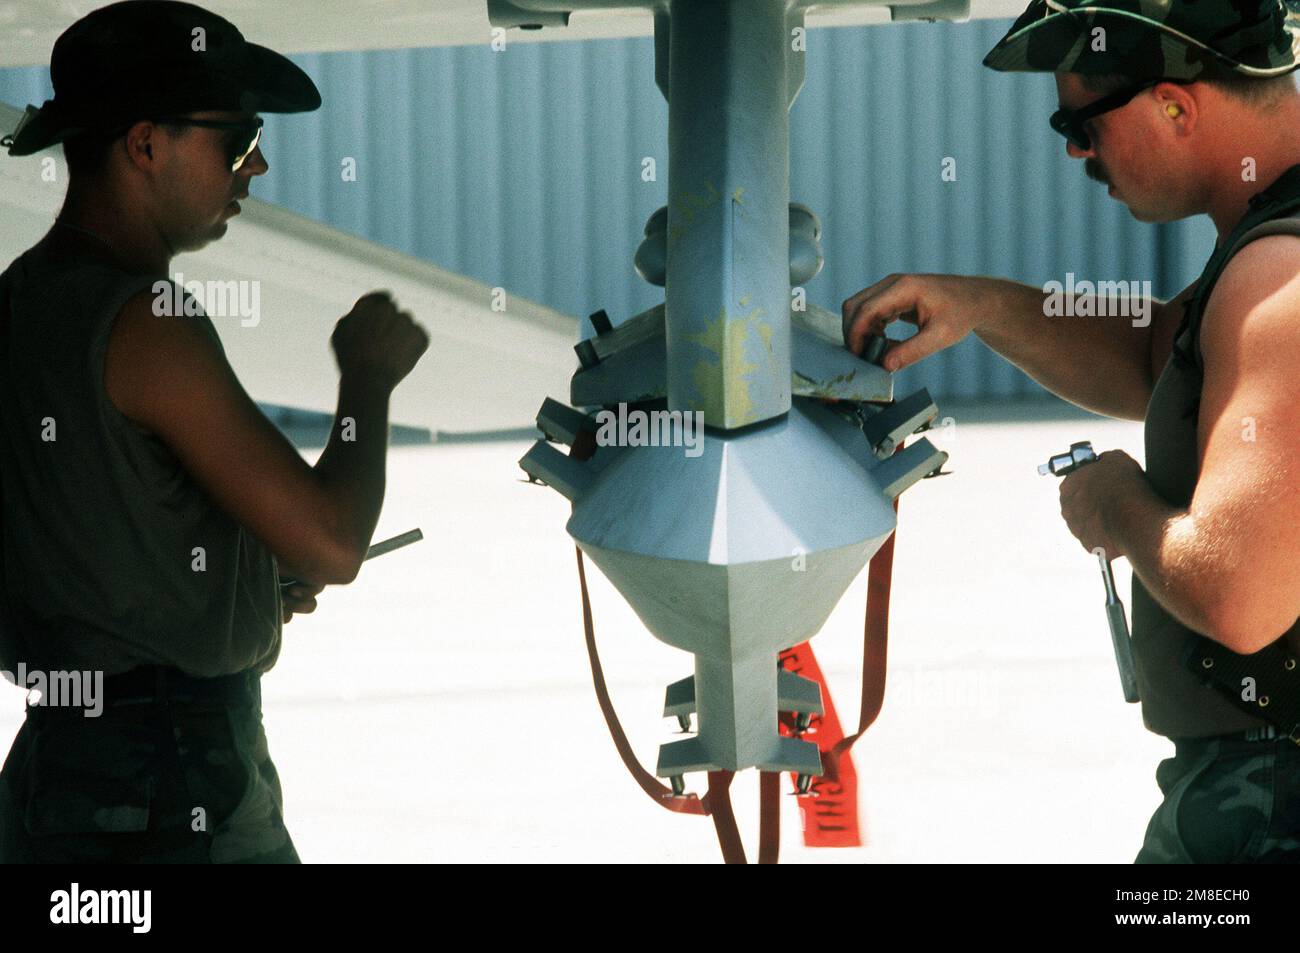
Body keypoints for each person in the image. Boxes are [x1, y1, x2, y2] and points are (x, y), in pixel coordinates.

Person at [843, 0, 1300, 862]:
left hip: (1270, 802)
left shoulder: (1281, 275)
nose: (1075, 152)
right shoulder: (1266, 249)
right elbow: (1156, 361)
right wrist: (981, 305)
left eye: (1081, 123)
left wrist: (1114, 501)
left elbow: (1241, 598)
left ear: (1174, 105)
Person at [0, 1, 429, 862]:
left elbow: (87, 539)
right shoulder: (148, 320)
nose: (256, 164)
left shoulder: (20, 302)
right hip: (173, 786)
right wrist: (367, 380)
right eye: (234, 139)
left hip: (59, 783)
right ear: (147, 143)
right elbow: (332, 542)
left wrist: (230, 586)